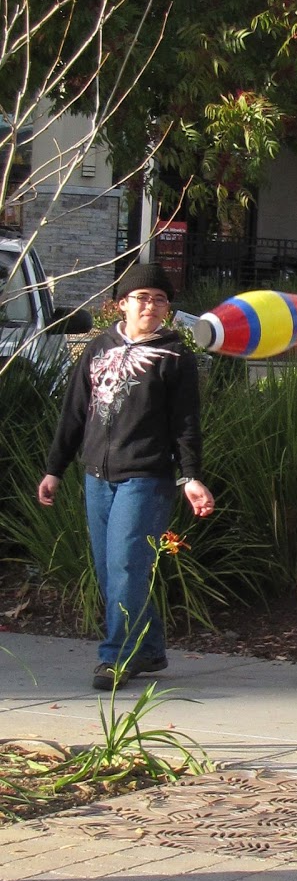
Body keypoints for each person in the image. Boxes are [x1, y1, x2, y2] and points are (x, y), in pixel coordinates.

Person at [37, 261, 215, 692]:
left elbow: (186, 422)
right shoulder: (99, 348)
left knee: (126, 566)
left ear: (168, 309)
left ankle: (117, 657)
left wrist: (191, 476)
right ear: (122, 304)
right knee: (110, 570)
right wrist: (55, 468)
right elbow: (75, 411)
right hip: (97, 476)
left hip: (147, 478)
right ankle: (149, 649)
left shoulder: (175, 355)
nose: (151, 306)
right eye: (142, 298)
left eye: (160, 300)